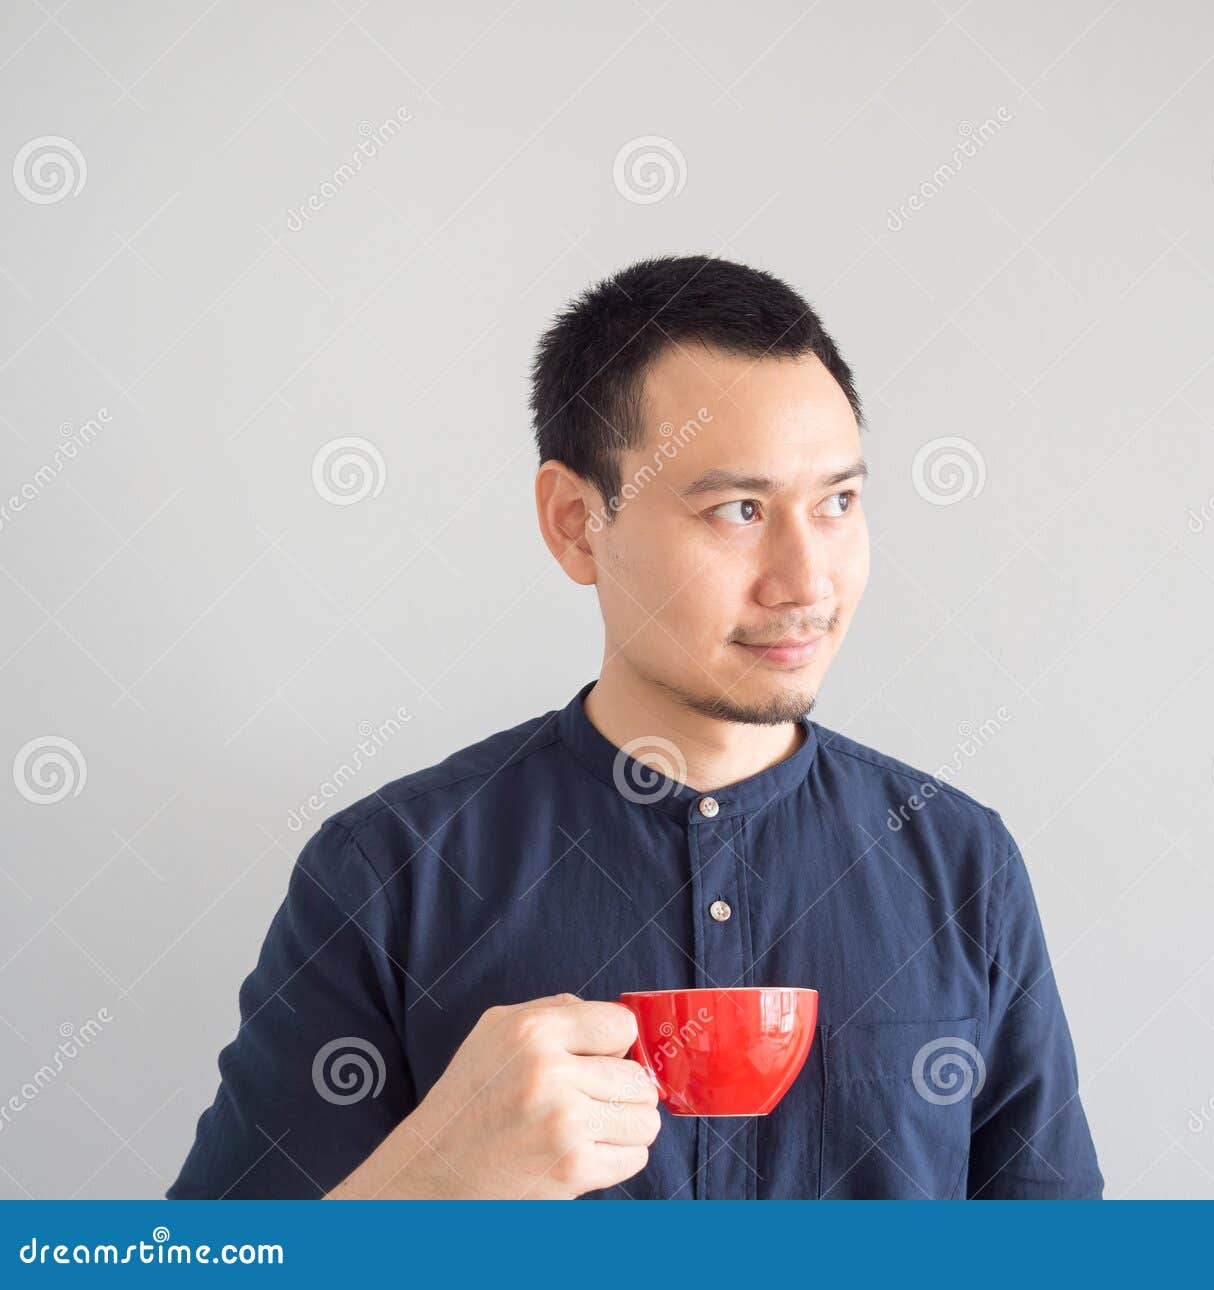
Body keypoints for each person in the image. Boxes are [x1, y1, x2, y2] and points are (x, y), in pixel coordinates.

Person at [167, 255, 1103, 1200]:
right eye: (738, 510)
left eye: (838, 504)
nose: (808, 582)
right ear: (577, 523)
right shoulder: (390, 874)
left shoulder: (962, 863)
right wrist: (429, 1185)